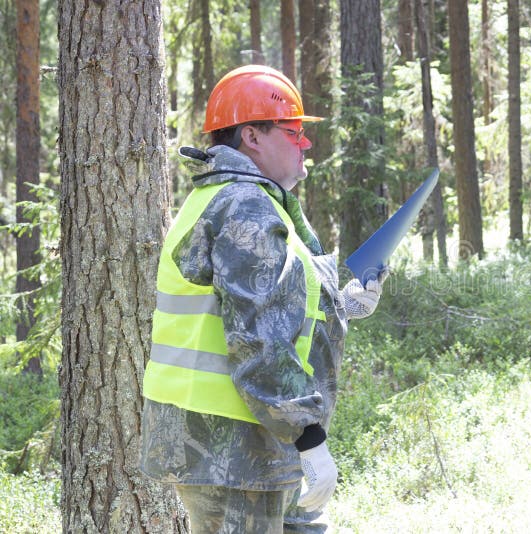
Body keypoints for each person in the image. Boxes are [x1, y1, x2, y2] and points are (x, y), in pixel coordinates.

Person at [139, 65, 386, 533]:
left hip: (252, 443)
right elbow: (260, 339)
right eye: (294, 131)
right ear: (252, 136)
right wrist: (309, 437)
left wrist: (344, 304)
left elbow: (278, 306)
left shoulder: (251, 201)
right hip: (229, 449)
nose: (305, 143)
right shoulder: (242, 205)